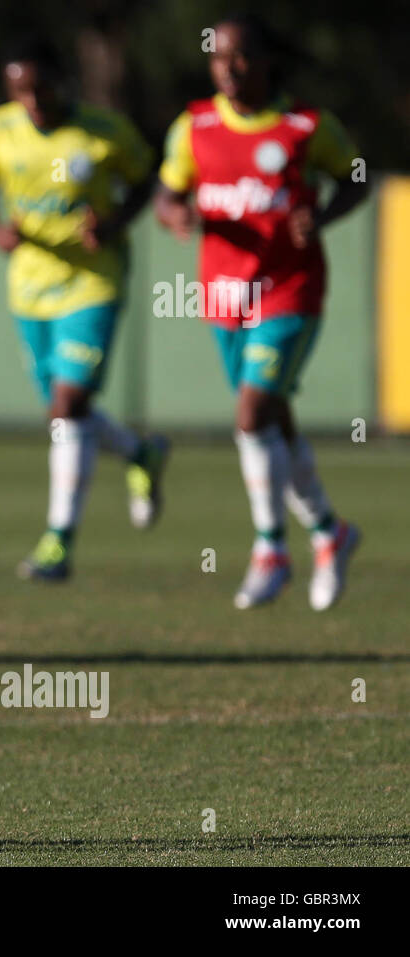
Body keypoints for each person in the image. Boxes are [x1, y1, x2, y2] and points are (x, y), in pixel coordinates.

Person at [154, 14, 364, 610]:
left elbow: (356, 178)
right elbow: (167, 195)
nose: (229, 68)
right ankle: (330, 531)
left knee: (250, 415)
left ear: (267, 60)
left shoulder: (306, 127)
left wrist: (319, 216)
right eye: (219, 58)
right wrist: (176, 215)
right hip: (224, 292)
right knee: (272, 418)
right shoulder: (193, 126)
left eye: (241, 57)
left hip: (290, 289)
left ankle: (271, 549)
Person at [0, 38, 168, 582]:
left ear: (62, 81)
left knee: (69, 402)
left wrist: (116, 223)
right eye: (19, 90)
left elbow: (148, 182)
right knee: (63, 414)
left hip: (93, 282)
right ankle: (139, 452)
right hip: (29, 288)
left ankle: (58, 542)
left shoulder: (105, 132)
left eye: (40, 87)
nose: (31, 100)